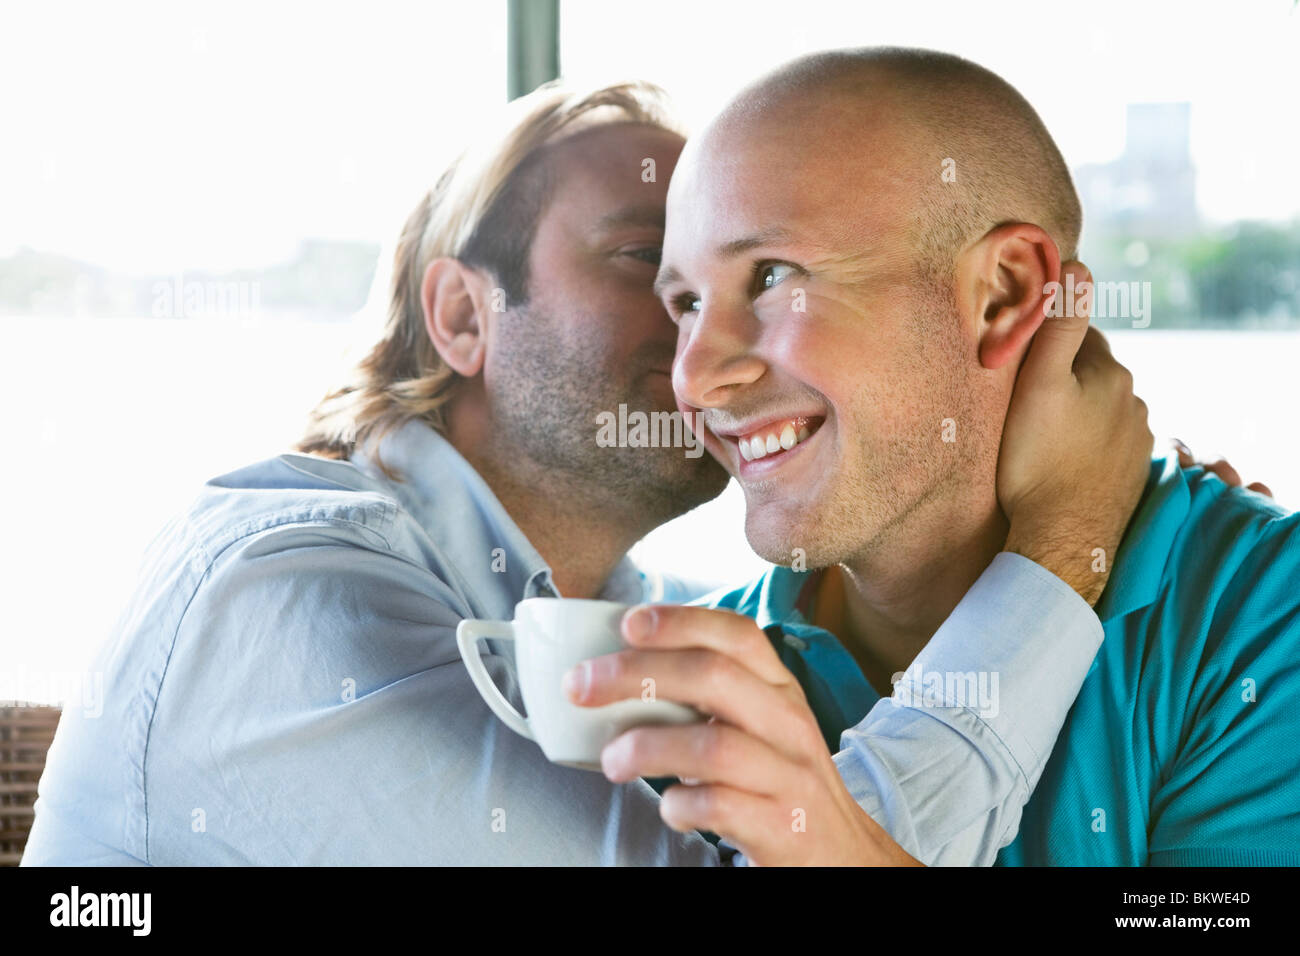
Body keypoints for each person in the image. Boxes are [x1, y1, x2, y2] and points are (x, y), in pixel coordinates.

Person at [21, 78, 1217, 866]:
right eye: (650, 265)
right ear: (461, 315)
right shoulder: (282, 599)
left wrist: (1162, 520)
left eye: (745, 279)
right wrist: (1060, 548)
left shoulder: (618, 626)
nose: (706, 349)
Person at [581, 46, 1300, 866]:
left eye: (774, 275)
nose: (697, 377)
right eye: (685, 304)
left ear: (1001, 294)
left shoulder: (1263, 620)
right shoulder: (688, 688)